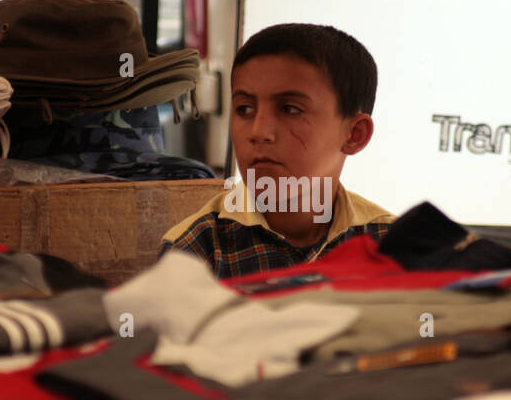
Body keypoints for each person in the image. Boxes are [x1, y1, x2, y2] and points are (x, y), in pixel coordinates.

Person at [161, 23, 394, 278]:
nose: (259, 132)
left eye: (290, 109)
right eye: (245, 109)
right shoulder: (196, 251)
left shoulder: (391, 247)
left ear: (354, 134)